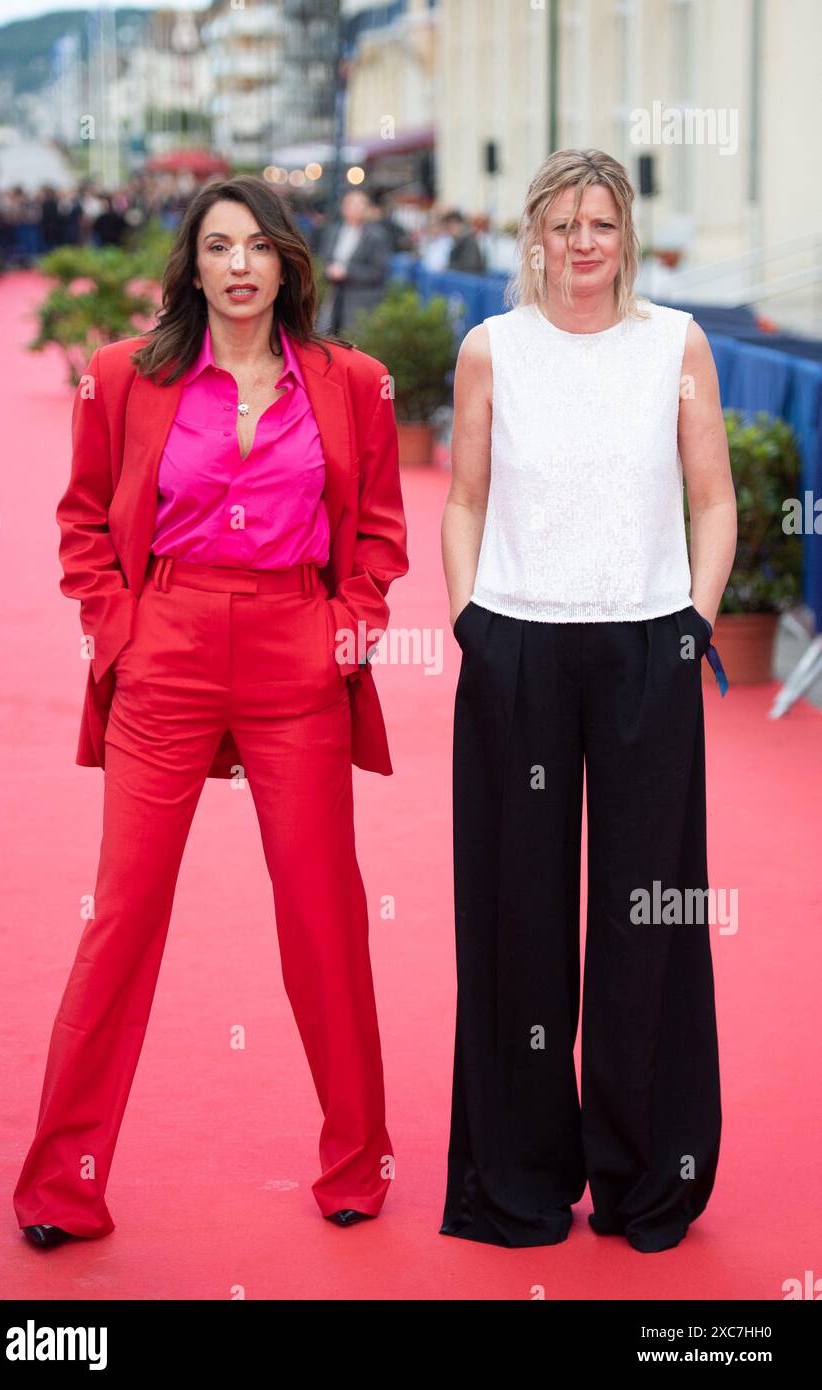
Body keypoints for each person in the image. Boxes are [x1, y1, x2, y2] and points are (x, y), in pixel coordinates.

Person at [13, 175, 408, 1247]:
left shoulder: (351, 382)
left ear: (288, 263)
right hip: (168, 649)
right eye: (218, 246)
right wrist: (124, 630)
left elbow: (376, 536)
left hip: (295, 654)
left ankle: (355, 1161)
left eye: (258, 246)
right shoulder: (122, 379)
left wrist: (348, 626)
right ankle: (60, 1185)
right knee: (122, 916)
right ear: (190, 265)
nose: (239, 265)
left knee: (324, 915)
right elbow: (84, 523)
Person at [439, 148, 736, 1253]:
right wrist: (469, 618)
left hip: (645, 650)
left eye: (599, 223)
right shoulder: (488, 350)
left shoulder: (675, 344)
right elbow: (463, 497)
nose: (581, 243)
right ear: (532, 234)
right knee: (517, 918)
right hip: (514, 645)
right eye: (561, 223)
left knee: (644, 916)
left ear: (627, 235)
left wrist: (693, 621)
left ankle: (647, 1174)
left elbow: (712, 498)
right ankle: (514, 1177)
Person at [316, 189, 393, 336]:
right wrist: (329, 270)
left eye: (361, 204)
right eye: (352, 204)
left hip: (362, 302)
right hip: (334, 297)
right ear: (343, 208)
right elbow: (324, 260)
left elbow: (379, 272)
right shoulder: (333, 232)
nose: (357, 208)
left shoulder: (377, 235)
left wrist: (347, 272)